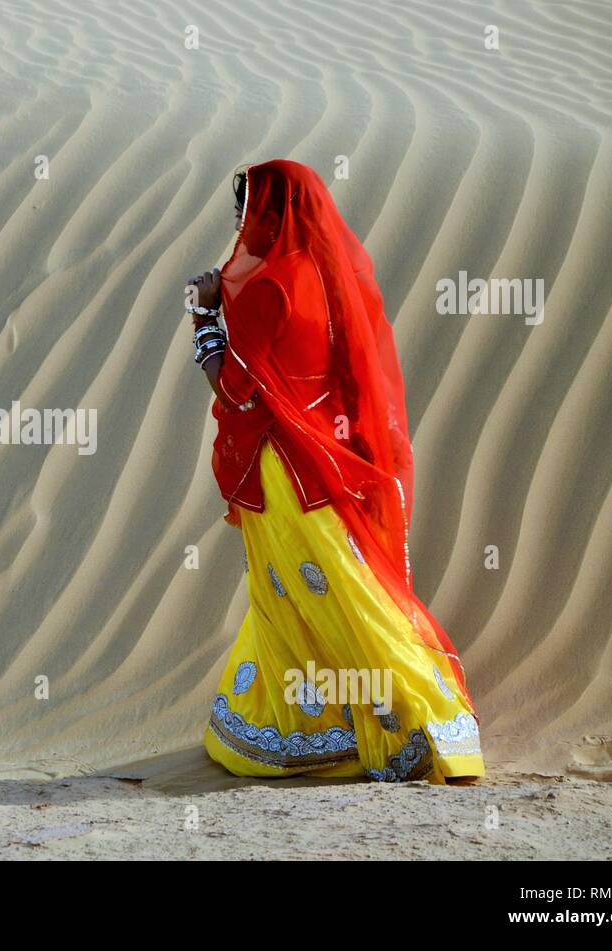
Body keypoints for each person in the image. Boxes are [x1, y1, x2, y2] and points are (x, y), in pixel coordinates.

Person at [186, 160, 483, 783]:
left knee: (321, 596)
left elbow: (238, 390)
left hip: (287, 473)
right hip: (332, 461)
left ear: (270, 215)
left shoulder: (269, 287)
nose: (239, 225)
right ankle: (390, 721)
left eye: (245, 211)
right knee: (342, 589)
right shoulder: (331, 273)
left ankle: (414, 726)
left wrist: (203, 319)